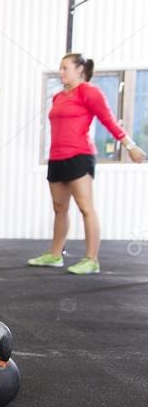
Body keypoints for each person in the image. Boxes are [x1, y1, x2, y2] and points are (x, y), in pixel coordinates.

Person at [28, 53, 146, 274]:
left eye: (65, 68)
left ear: (79, 69)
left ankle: (91, 259)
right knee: (59, 208)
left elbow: (108, 121)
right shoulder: (58, 97)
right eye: (60, 68)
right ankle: (55, 255)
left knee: (85, 207)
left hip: (80, 155)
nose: (61, 72)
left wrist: (130, 146)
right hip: (57, 157)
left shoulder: (90, 92)